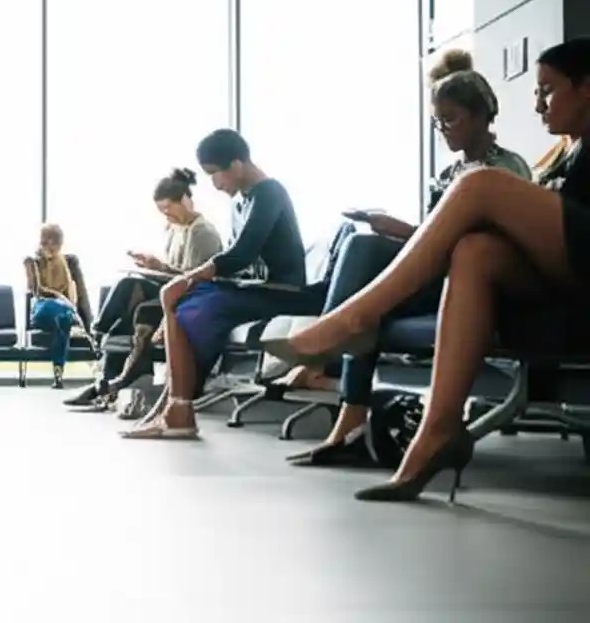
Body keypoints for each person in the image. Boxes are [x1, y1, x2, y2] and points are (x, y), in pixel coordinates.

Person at [262, 38, 590, 502]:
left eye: (548, 90)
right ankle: (437, 433)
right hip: (563, 269)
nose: (537, 104)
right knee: (474, 251)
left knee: (478, 183)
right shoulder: (564, 154)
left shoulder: (521, 164)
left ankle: (352, 321)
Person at [284, 50, 532, 467]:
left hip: (468, 282)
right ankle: (349, 419)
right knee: (363, 251)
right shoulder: (449, 175)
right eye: (438, 122)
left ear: (480, 117)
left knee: (367, 264)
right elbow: (434, 239)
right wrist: (401, 231)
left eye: (450, 120)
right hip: (436, 273)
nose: (443, 131)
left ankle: (330, 346)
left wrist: (404, 232)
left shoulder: (507, 170)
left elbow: (494, 246)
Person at [123, 129, 324, 439]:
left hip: (284, 293)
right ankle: (176, 406)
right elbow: (234, 265)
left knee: (189, 306)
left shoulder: (270, 192)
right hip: (256, 290)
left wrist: (190, 278)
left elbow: (241, 254)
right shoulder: (240, 203)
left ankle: (178, 407)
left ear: (237, 164)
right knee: (179, 300)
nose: (215, 184)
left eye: (216, 174)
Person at [64, 168, 224, 407]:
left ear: (186, 201)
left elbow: (197, 279)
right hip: (171, 288)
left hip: (193, 296)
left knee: (142, 312)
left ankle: (107, 373)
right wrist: (154, 266)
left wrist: (163, 267)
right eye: (162, 211)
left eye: (169, 208)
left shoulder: (203, 233)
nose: (166, 215)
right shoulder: (173, 228)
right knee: (129, 285)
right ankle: (103, 349)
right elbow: (174, 271)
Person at [23, 223, 90, 389]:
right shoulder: (32, 260)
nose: (50, 247)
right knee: (60, 313)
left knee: (64, 319)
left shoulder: (65, 261)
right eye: (46, 242)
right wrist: (59, 296)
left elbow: (73, 289)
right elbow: (36, 290)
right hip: (43, 307)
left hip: (63, 308)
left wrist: (70, 304)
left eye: (55, 243)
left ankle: (58, 374)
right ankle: (59, 371)